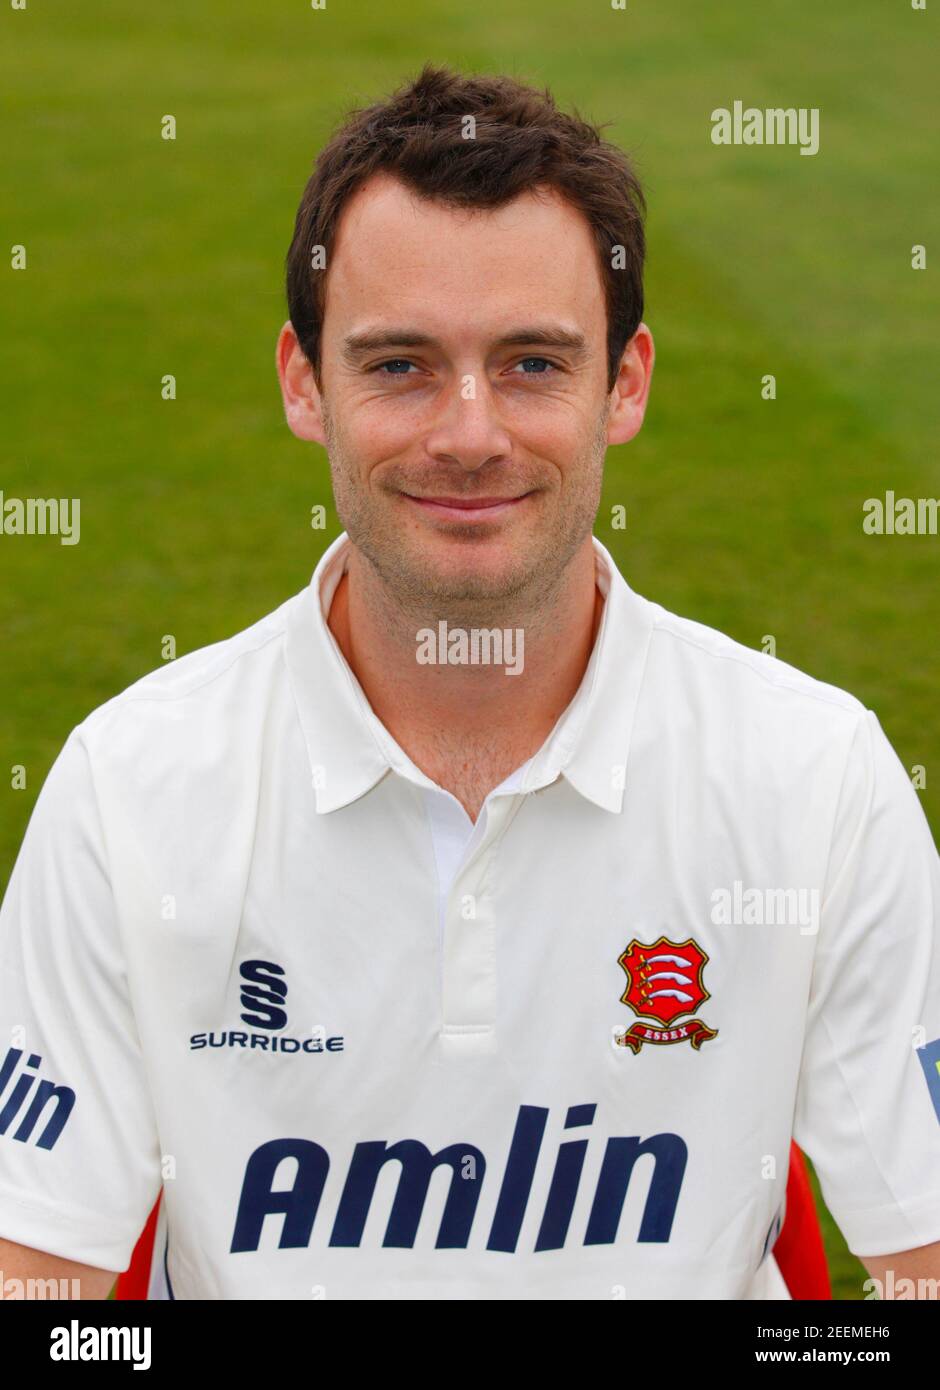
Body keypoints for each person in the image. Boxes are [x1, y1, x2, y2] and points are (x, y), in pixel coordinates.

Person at [1, 64, 939, 1301]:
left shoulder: (816, 776)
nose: (467, 433)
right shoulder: (129, 789)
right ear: (301, 381)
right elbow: (48, 1297)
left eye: (532, 363)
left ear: (626, 383)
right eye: (397, 364)